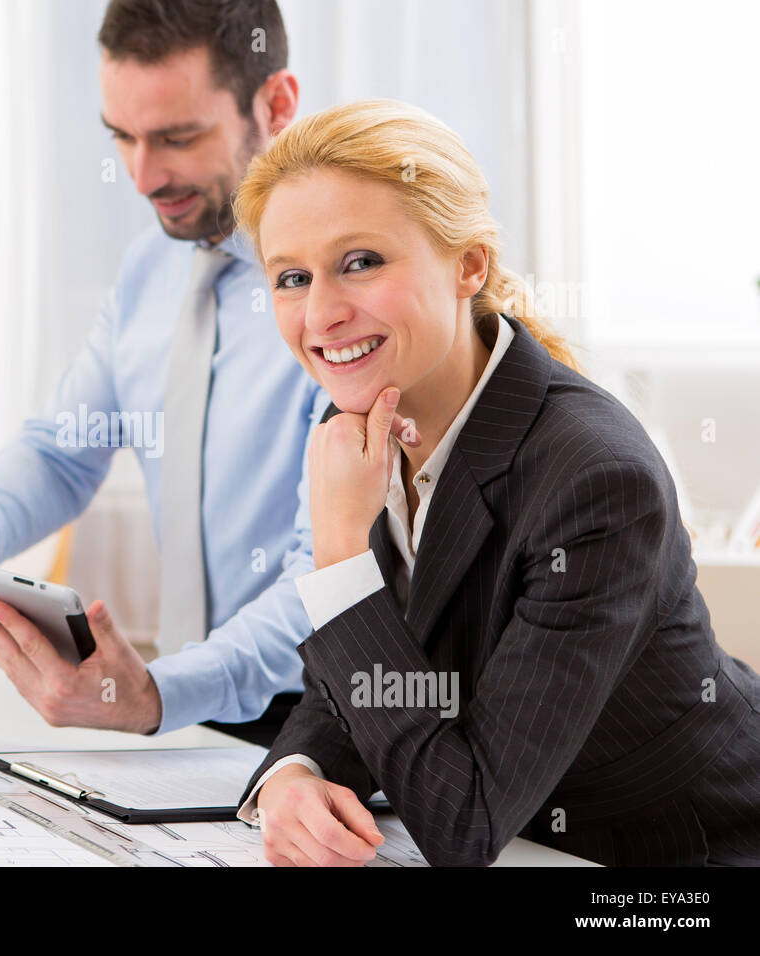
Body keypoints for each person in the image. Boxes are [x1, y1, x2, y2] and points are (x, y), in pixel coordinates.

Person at [231, 99, 760, 867]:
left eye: (361, 262)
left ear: (469, 264)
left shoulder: (599, 481)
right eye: (291, 277)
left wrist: (341, 554)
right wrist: (293, 774)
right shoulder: (362, 425)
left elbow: (465, 819)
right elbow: (363, 680)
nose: (321, 314)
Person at [0, 0, 326, 742]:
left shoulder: (337, 294)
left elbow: (327, 571)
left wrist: (163, 694)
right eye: (122, 137)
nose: (142, 175)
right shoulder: (150, 269)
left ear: (277, 104)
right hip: (191, 712)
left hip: (317, 721)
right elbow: (64, 448)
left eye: (177, 137)